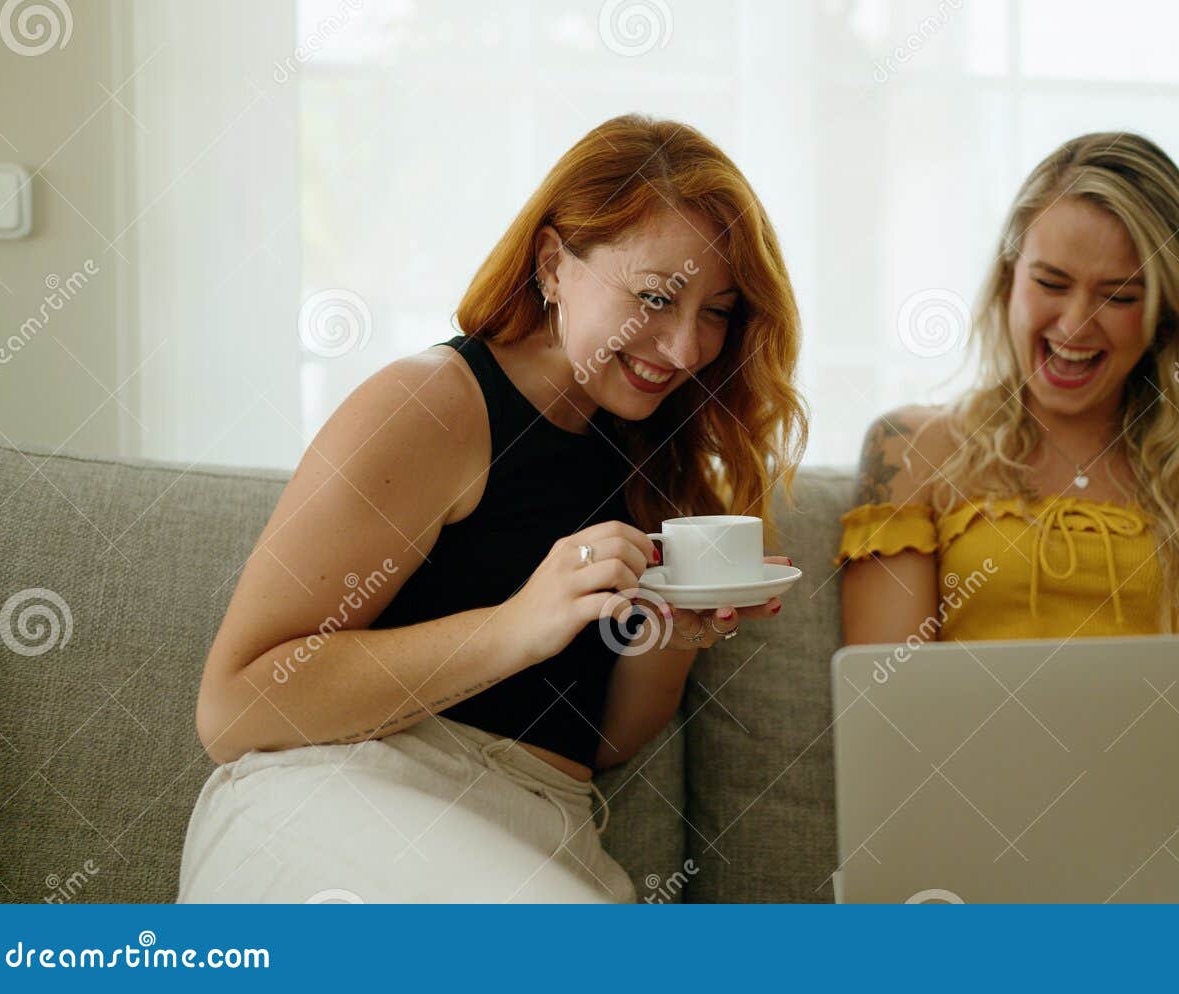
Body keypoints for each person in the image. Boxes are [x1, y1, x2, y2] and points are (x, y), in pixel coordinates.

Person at [179, 114, 806, 903]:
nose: (686, 350)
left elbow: (604, 741)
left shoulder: (660, 449)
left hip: (546, 829)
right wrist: (514, 626)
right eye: (655, 298)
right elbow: (234, 705)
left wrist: (672, 631)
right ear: (553, 264)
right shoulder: (434, 406)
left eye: (716, 311)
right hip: (355, 795)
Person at [840, 132, 1179, 646]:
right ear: (1008, 282)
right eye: (1051, 284)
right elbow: (886, 700)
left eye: (1118, 297)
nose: (1074, 325)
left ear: (1167, 315)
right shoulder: (911, 448)